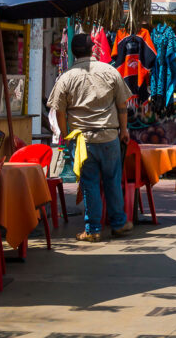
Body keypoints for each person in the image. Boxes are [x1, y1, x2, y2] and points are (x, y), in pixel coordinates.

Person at [48, 33, 134, 242]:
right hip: (109, 136)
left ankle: (93, 229)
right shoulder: (110, 71)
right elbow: (122, 104)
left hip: (82, 141)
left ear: (73, 52)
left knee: (90, 184)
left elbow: (59, 110)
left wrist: (64, 134)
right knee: (112, 181)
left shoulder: (66, 77)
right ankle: (119, 223)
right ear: (92, 49)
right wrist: (124, 130)